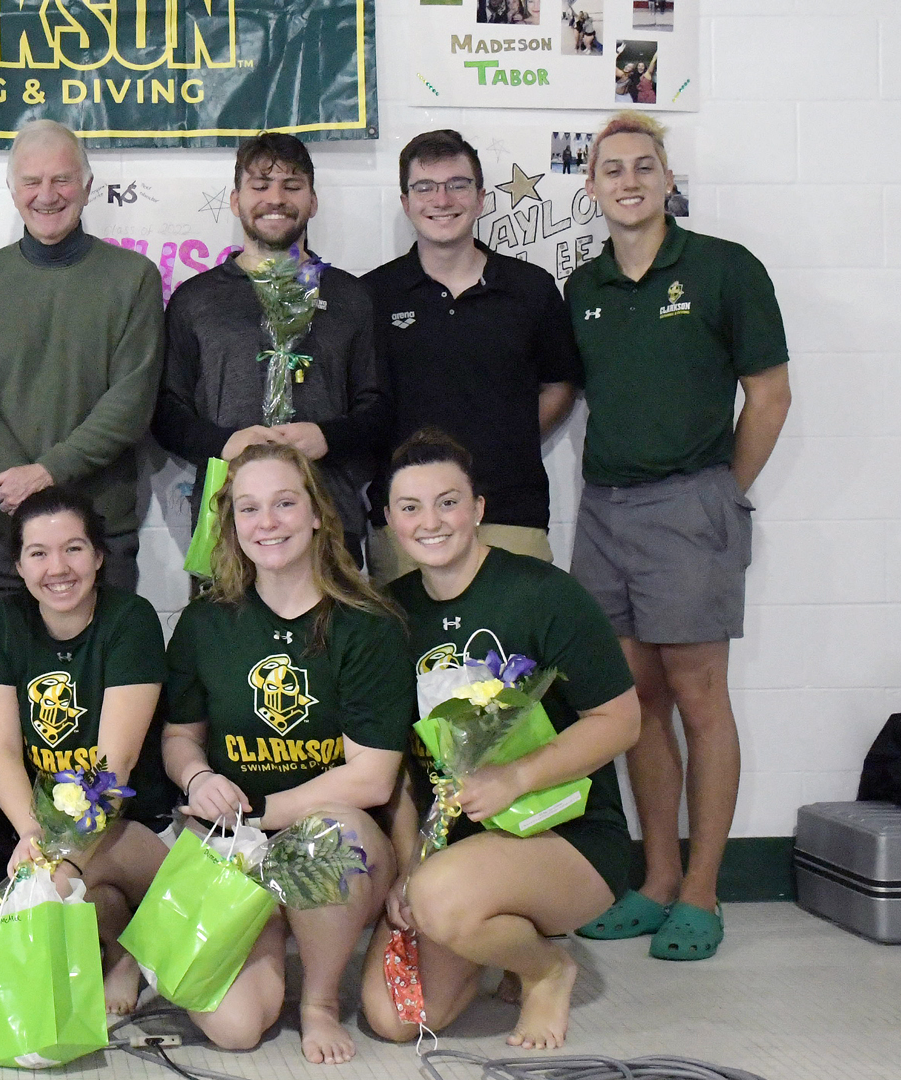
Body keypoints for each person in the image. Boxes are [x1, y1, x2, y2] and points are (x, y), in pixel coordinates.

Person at [564, 111, 790, 961]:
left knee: (700, 700)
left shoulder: (726, 270)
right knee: (635, 705)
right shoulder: (583, 289)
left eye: (643, 166)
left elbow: (769, 395)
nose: (628, 180)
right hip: (603, 513)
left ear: (667, 180)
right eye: (611, 169)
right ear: (591, 188)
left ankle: (703, 892)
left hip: (691, 505)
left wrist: (721, 495)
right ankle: (656, 881)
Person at [359, 430, 639, 1051]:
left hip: (564, 837)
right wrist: (408, 868)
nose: (430, 522)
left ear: (479, 508)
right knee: (395, 1017)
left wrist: (515, 777)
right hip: (460, 851)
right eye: (410, 508)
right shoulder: (388, 614)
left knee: (440, 897)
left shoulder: (545, 594)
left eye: (448, 502)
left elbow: (621, 722)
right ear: (389, 522)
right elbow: (399, 769)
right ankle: (498, 938)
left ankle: (546, 968)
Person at [159, 443, 405, 1063]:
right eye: (249, 509)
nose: (266, 523)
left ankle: (319, 999)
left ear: (318, 513)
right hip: (233, 845)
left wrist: (262, 811)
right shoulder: (204, 622)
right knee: (236, 1028)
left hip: (329, 839)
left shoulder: (366, 625)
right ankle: (267, 931)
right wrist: (196, 779)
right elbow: (179, 737)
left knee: (327, 837)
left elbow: (372, 781)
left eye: (284, 503)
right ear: (231, 525)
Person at [0, 119, 163, 614]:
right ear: (12, 189)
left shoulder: (134, 280)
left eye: (62, 179)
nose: (47, 195)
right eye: (31, 181)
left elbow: (129, 404)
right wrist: (19, 484)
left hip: (96, 530)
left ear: (87, 187)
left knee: (98, 683)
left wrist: (46, 474)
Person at [0, 487, 172, 1016]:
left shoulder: (129, 619)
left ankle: (132, 956)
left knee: (53, 885)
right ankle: (118, 939)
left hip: (137, 827)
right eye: (38, 553)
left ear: (100, 556)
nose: (57, 568)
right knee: (66, 897)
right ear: (18, 565)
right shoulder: (4, 624)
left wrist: (51, 855)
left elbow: (113, 767)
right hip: (44, 827)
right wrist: (31, 833)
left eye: (74, 549)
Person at [155, 132, 387, 562]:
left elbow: (380, 407)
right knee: (228, 628)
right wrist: (224, 443)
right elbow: (165, 413)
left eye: (291, 186)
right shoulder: (195, 299)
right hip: (228, 523)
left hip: (331, 519)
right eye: (260, 186)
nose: (275, 199)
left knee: (335, 630)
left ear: (313, 201)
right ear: (235, 200)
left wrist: (327, 436)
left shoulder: (351, 297)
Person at [363, 130, 580, 583]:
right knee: (407, 654)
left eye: (458, 184)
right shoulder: (371, 296)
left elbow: (560, 383)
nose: (442, 199)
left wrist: (510, 431)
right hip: (407, 526)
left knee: (517, 653)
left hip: (510, 517)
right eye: (425, 187)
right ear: (406, 203)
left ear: (481, 198)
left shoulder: (531, 289)